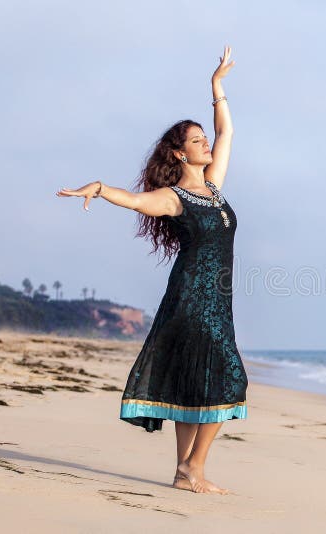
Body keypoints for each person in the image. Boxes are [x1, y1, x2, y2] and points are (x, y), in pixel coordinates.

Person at [56, 45, 246, 495]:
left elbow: (227, 132)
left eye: (203, 139)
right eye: (196, 141)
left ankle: (183, 471)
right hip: (192, 299)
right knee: (229, 376)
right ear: (179, 155)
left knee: (194, 379)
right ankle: (194, 465)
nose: (206, 143)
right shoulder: (173, 198)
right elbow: (135, 200)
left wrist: (216, 86)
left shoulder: (214, 188)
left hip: (218, 301)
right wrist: (100, 188)